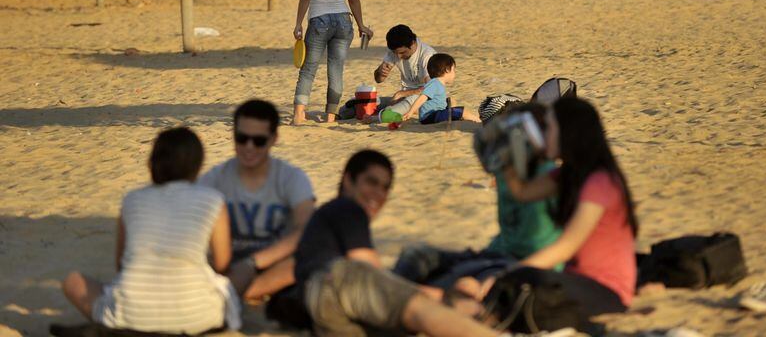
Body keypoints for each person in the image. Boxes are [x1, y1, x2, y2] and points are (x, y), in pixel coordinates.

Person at [292, 150, 507, 337]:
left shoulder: (326, 216)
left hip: (326, 315)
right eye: (371, 182)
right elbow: (368, 270)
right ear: (348, 180)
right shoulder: (347, 210)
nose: (378, 193)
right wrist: (445, 298)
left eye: (385, 187)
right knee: (418, 306)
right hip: (333, 288)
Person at [467, 98, 638, 320]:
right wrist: (505, 159)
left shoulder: (599, 182)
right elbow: (522, 192)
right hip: (573, 278)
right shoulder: (567, 174)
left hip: (605, 289)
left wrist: (507, 274)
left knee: (513, 297)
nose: (542, 134)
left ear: (568, 132)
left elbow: (565, 248)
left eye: (548, 127)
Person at [61, 128, 240, 333]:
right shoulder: (212, 200)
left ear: (153, 162)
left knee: (72, 282)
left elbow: (121, 265)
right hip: (197, 317)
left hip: (132, 316)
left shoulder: (132, 200)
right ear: (197, 165)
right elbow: (222, 264)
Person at [394, 103, 562, 290]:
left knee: (453, 285)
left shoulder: (550, 177)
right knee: (414, 257)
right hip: (494, 254)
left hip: (521, 264)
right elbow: (481, 146)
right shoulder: (506, 168)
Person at [198, 99, 315, 303]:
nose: (249, 147)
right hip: (224, 265)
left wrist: (253, 263)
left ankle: (233, 292)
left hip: (273, 264)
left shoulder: (291, 177)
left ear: (274, 139)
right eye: (241, 138)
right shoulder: (215, 178)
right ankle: (238, 291)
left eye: (258, 141)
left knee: (310, 258)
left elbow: (306, 229)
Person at [292, 0, 374, 125]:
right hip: (344, 21)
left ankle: (298, 115)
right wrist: (361, 25)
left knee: (309, 68)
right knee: (336, 69)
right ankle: (330, 116)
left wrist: (298, 23)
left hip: (319, 20)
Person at [402, 53, 480, 124]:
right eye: (453, 70)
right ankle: (480, 122)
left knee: (452, 101)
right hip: (430, 116)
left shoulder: (437, 83)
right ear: (447, 70)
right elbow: (422, 97)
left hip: (435, 113)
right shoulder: (434, 83)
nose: (454, 74)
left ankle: (460, 118)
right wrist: (410, 112)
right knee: (462, 112)